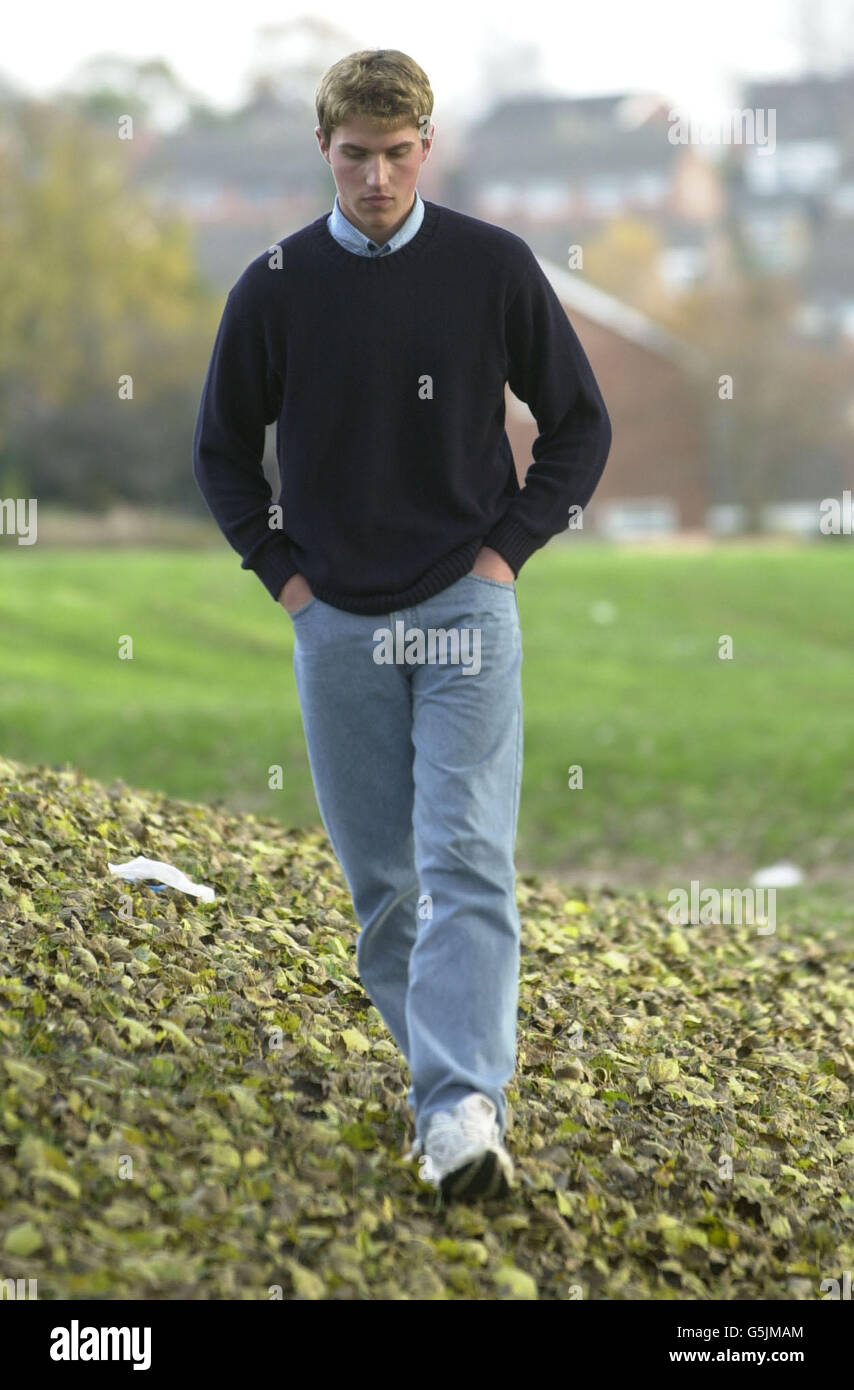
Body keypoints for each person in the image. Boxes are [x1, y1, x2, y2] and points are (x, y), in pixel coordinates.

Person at [193, 49, 611, 1203]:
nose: (375, 176)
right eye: (352, 156)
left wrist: (502, 555)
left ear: (425, 147)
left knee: (465, 856)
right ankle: (448, 1087)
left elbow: (578, 426)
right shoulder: (274, 286)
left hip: (465, 606)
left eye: (394, 153)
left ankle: (457, 1108)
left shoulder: (490, 267)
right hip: (336, 619)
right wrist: (287, 583)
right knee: (384, 889)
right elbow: (220, 453)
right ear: (324, 151)